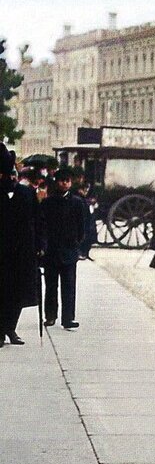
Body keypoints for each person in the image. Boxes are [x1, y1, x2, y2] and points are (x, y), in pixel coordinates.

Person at [0, 144, 42, 346]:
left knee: (17, 292)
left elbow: (38, 221)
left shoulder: (25, 194)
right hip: (2, 252)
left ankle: (10, 328)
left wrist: (40, 245)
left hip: (22, 252)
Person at [40, 168, 90, 330]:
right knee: (51, 285)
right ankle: (50, 315)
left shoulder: (77, 202)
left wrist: (77, 243)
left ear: (71, 182)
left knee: (69, 286)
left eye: (67, 181)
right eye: (62, 180)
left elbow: (82, 226)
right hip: (52, 251)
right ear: (57, 182)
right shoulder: (48, 202)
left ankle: (68, 318)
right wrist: (44, 245)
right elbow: (42, 226)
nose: (65, 183)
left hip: (69, 250)